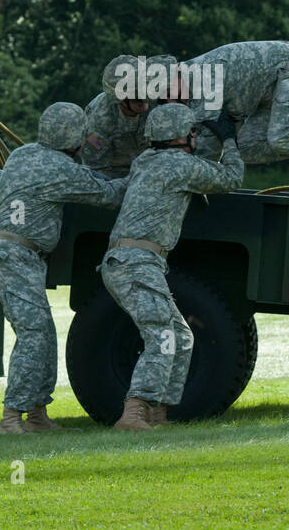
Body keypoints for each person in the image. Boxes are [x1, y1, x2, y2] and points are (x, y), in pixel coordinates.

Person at [0, 102, 126, 435]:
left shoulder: (23, 154)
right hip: (15, 256)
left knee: (42, 334)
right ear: (76, 137)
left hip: (10, 254)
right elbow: (109, 193)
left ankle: (37, 416)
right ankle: (11, 418)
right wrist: (147, 173)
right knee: (34, 335)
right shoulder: (60, 169)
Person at [101, 101, 244, 431]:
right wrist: (229, 140)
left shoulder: (146, 161)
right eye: (192, 132)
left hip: (130, 262)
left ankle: (157, 413)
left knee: (180, 336)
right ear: (184, 136)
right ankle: (133, 412)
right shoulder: (179, 166)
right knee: (163, 334)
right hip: (137, 263)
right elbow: (232, 178)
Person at [153, 41, 289, 164]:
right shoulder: (191, 87)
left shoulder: (203, 78)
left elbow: (208, 145)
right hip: (267, 91)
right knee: (244, 148)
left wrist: (195, 180)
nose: (174, 104)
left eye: (168, 96)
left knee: (281, 139)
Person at [81, 53, 153, 178]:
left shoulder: (159, 102)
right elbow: (95, 170)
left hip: (152, 166)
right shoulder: (99, 120)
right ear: (119, 99)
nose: (144, 100)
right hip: (114, 174)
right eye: (137, 97)